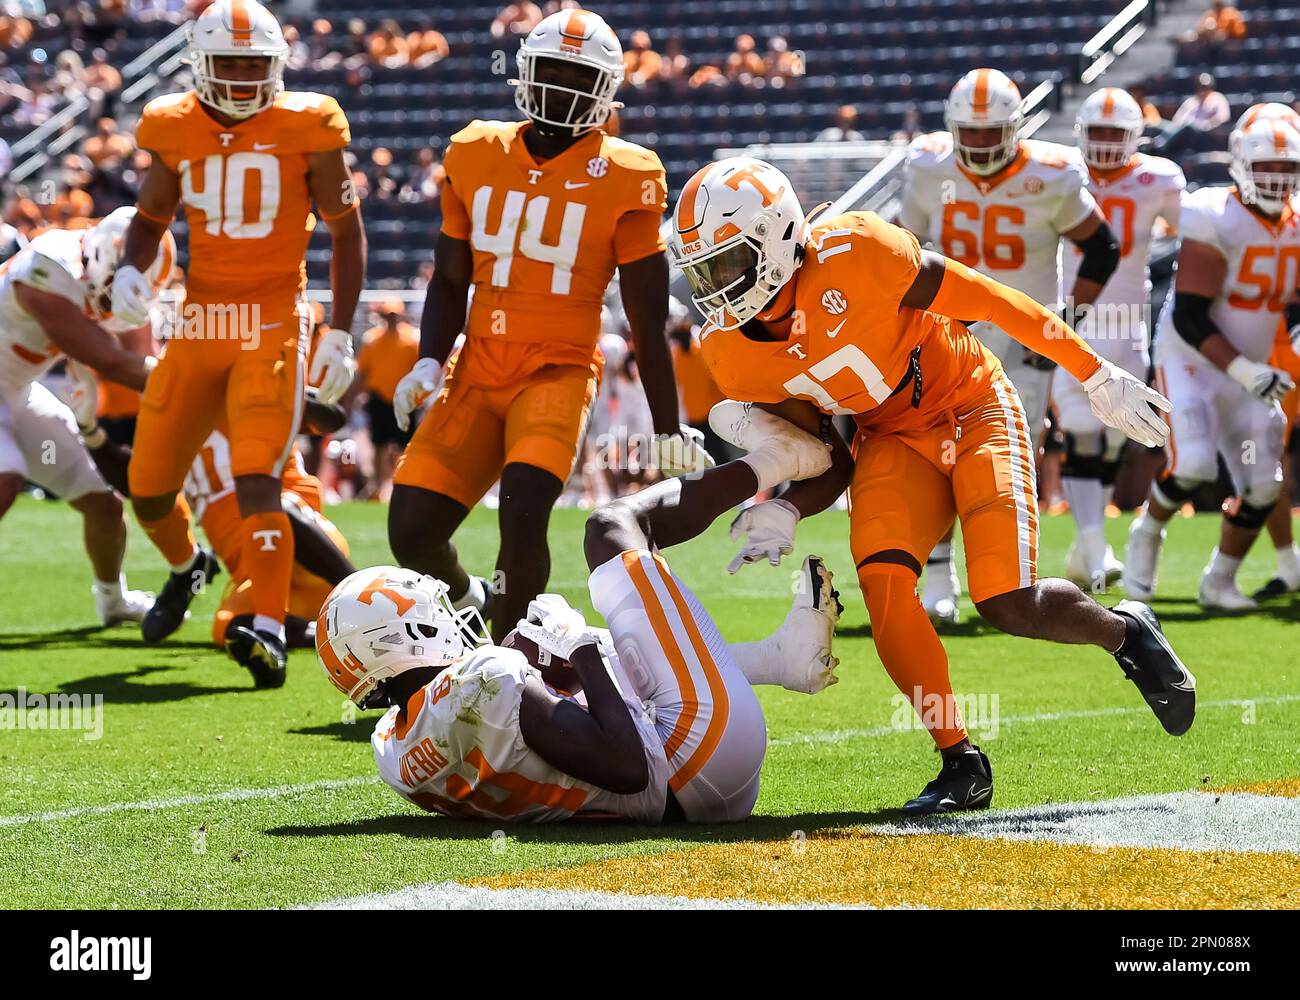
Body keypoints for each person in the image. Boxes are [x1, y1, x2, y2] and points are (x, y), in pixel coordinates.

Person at [672, 155, 1196, 813]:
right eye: (702, 270)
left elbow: (990, 300)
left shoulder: (858, 251)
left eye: (726, 264)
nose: (714, 286)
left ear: (777, 238)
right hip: (891, 435)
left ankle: (1125, 633)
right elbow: (830, 459)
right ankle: (960, 761)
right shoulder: (732, 353)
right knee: (885, 587)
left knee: (1006, 601)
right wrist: (786, 508)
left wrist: (1093, 372)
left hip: (971, 403)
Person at [318, 410, 843, 822]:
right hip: (692, 756)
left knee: (598, 650)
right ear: (409, 633)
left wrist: (546, 667)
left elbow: (521, 739)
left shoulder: (393, 751)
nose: (453, 615)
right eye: (434, 611)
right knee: (611, 527)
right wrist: (578, 646)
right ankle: (775, 461)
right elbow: (628, 767)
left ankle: (778, 660)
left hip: (695, 799)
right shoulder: (485, 681)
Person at [386, 8, 707, 643]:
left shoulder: (630, 173)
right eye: (552, 72)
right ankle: (472, 599)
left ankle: (509, 671)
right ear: (527, 74)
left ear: (606, 90)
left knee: (523, 515)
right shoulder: (475, 151)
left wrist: (669, 425)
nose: (561, 89)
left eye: (577, 77)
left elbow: (644, 313)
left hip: (557, 370)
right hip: (476, 365)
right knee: (412, 530)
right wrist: (428, 359)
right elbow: (451, 277)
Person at [110, 0, 364, 679]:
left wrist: (340, 330)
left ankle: (270, 631)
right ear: (202, 66)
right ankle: (188, 562)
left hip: (275, 317)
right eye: (232, 63)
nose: (247, 75)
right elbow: (148, 216)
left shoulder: (309, 124)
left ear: (278, 65)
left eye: (257, 62)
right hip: (200, 321)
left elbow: (345, 231)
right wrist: (131, 270)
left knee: (260, 481)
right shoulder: (173, 125)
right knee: (149, 489)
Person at [899, 68, 1120, 623]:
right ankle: (940, 574)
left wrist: (1065, 323)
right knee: (938, 451)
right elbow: (907, 248)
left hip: (1023, 340)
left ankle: (1007, 577)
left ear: (1015, 128)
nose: (977, 143)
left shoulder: (1053, 173)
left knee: (1006, 459)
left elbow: (1103, 249)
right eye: (968, 132)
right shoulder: (927, 166)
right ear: (952, 128)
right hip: (951, 332)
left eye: (989, 131)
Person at [1125, 119, 1300, 610]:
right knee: (1194, 463)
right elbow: (1190, 315)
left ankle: (1219, 580)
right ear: (1241, 165)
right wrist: (1246, 370)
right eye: (1265, 166)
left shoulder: (1295, 222)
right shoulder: (1213, 214)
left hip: (1252, 373)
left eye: (1285, 168)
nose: (1275, 178)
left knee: (1264, 482)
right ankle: (1147, 534)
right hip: (1193, 363)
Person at [0, 209, 168, 627]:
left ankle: (113, 601)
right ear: (102, 256)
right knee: (7, 474)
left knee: (104, 503)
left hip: (14, 394)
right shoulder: (49, 264)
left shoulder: (97, 269)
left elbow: (140, 356)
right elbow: (113, 361)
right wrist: (205, 390)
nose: (113, 301)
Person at [1054, 88, 1185, 590]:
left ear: (1135, 136)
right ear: (1081, 135)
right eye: (1099, 132)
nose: (1107, 144)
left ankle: (1085, 546)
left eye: (1116, 133)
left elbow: (1188, 231)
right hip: (1071, 317)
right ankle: (1097, 550)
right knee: (1084, 430)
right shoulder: (1063, 172)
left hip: (1129, 321)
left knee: (1114, 432)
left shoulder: (1160, 177)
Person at [352, 299, 419, 502]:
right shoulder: (372, 340)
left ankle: (402, 485)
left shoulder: (413, 339)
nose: (392, 320)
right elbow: (363, 371)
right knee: (379, 445)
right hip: (379, 398)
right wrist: (355, 396)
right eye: (388, 315)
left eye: (394, 315)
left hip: (405, 399)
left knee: (403, 446)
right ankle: (378, 488)